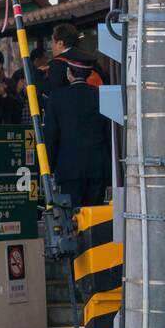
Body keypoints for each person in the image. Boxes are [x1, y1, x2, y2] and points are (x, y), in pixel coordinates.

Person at [43, 50, 111, 208]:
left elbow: (52, 136)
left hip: (69, 168)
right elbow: (109, 133)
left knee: (72, 218)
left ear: (69, 72)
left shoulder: (57, 98)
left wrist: (49, 167)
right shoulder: (100, 96)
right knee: (94, 219)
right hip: (98, 167)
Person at [48, 23, 107, 91]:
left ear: (60, 43)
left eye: (52, 41)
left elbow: (54, 92)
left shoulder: (56, 64)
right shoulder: (92, 60)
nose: (51, 46)